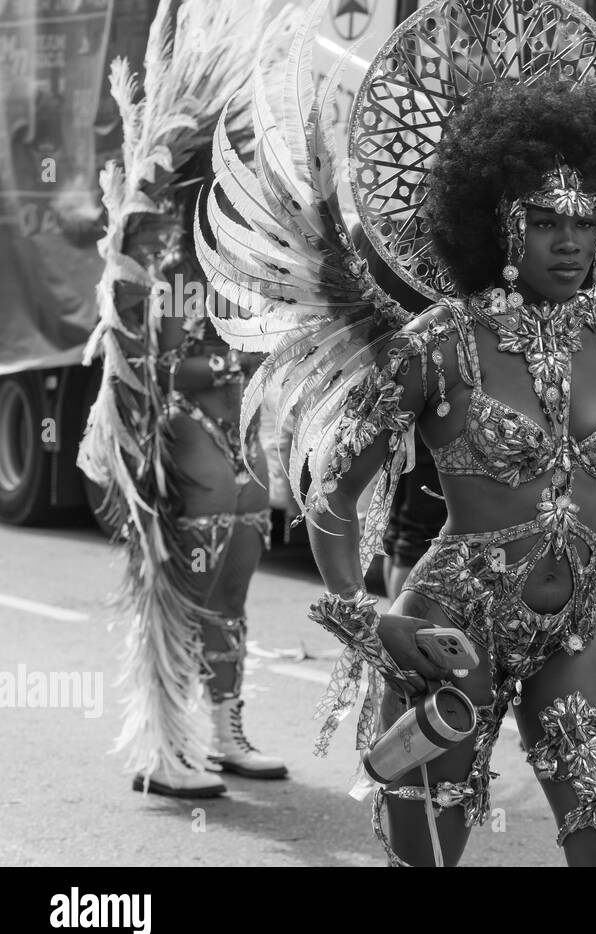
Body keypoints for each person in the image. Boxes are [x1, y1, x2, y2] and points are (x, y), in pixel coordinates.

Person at [200, 0, 596, 865]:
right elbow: (335, 494)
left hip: (577, 632)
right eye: (546, 221)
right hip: (452, 632)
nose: (571, 243)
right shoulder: (439, 343)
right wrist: (369, 617)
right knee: (424, 855)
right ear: (499, 224)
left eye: (584, 223)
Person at [78, 0, 287, 799]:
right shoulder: (148, 239)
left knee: (236, 574)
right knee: (179, 584)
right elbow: (134, 351)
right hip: (174, 435)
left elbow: (260, 334)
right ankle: (165, 748)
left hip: (235, 431)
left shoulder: (234, 245)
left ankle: (227, 728)